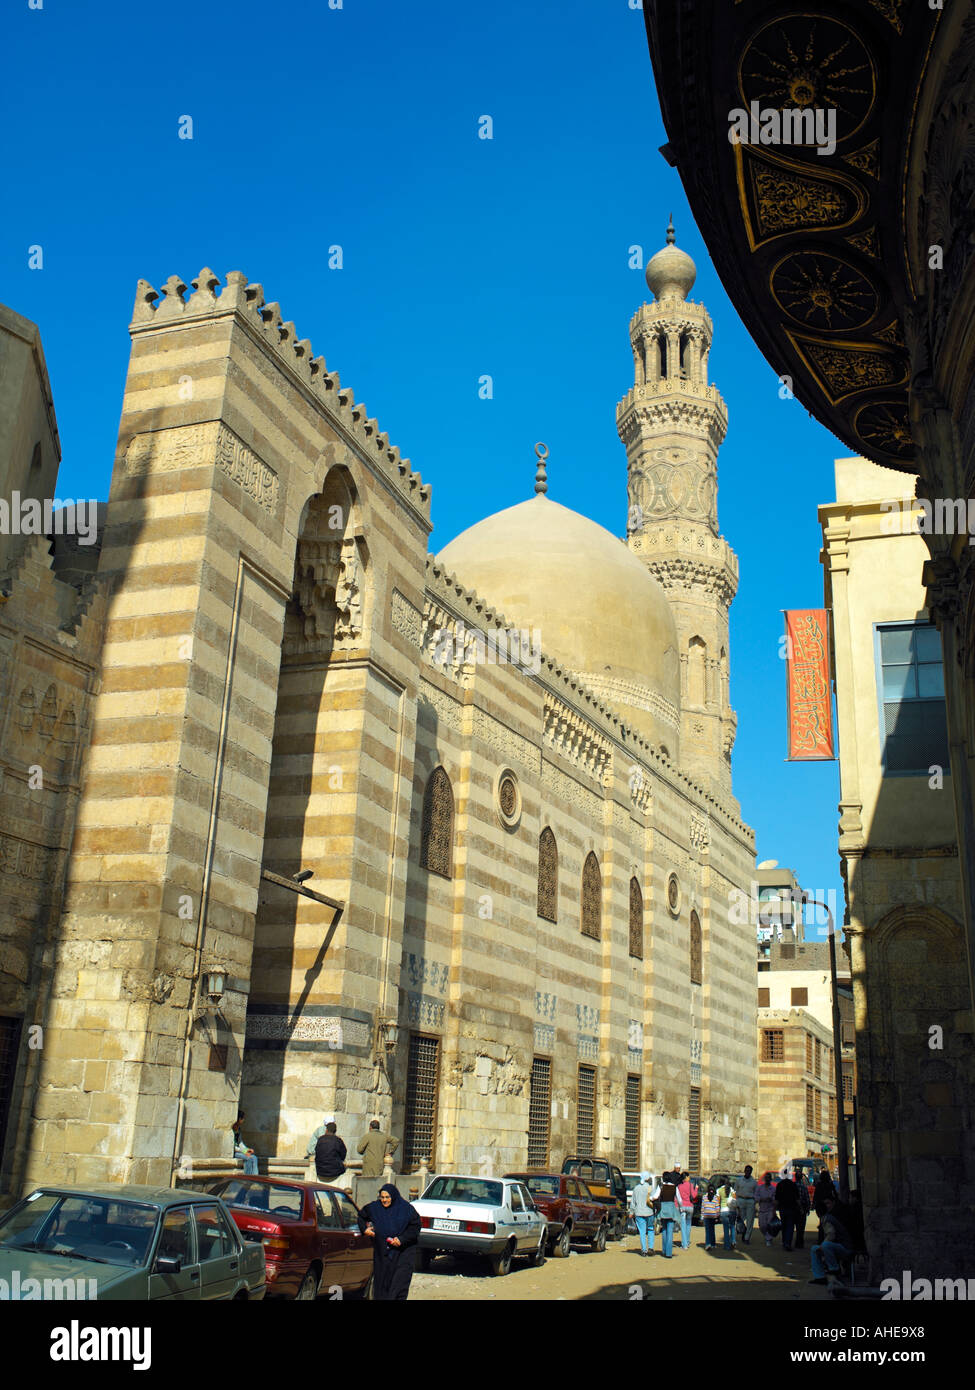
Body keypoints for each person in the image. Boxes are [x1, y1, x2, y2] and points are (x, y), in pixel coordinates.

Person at [358, 1183, 422, 1300]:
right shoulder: (375, 1208)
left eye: (387, 1197)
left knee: (397, 1285)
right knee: (381, 1285)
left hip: (402, 1254)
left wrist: (402, 1239)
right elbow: (361, 1216)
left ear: (393, 1196)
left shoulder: (406, 1209)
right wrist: (365, 1229)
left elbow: (415, 1227)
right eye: (382, 1197)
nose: (384, 1200)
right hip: (382, 1253)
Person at [809, 1195, 854, 1286]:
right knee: (814, 1249)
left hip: (845, 1248)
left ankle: (834, 1268)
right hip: (837, 1247)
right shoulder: (826, 1218)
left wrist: (822, 1246)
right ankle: (819, 1276)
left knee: (826, 1245)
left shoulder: (827, 1219)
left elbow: (831, 1235)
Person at [357, 1120, 400, 1204]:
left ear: (370, 1127)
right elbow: (396, 1140)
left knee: (368, 1186)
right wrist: (390, 1152)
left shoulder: (368, 1136)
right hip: (380, 1164)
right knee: (378, 1185)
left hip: (368, 1164)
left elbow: (359, 1149)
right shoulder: (384, 1136)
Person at [650, 1171, 683, 1258]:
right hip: (671, 1208)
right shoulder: (674, 1187)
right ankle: (669, 1252)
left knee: (664, 1229)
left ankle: (664, 1250)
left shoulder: (661, 1186)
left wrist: (649, 1198)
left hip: (663, 1208)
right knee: (670, 1230)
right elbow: (679, 1200)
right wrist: (681, 1208)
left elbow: (655, 1196)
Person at [775, 1172, 801, 1251]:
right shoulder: (793, 1185)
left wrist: (774, 1209)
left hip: (782, 1208)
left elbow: (777, 1199)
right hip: (791, 1208)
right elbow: (797, 1198)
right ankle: (788, 1243)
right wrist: (800, 1208)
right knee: (790, 1226)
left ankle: (784, 1242)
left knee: (784, 1225)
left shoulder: (780, 1185)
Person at [631, 1172, 655, 1256]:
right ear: (648, 1179)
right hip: (649, 1212)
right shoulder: (650, 1188)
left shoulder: (636, 1188)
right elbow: (654, 1199)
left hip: (639, 1212)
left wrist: (631, 1212)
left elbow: (633, 1202)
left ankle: (644, 1250)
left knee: (642, 1232)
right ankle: (651, 1248)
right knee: (651, 1229)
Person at [735, 1165, 758, 1244]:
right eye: (746, 1170)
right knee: (740, 1219)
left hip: (750, 1201)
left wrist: (754, 1201)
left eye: (749, 1171)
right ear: (744, 1171)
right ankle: (740, 1232)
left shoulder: (754, 1182)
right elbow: (735, 1191)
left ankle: (747, 1238)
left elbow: (756, 1193)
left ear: (751, 1172)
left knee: (750, 1220)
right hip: (741, 1200)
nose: (748, 1172)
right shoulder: (739, 1180)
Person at [232, 1111, 258, 1175]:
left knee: (254, 1157)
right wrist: (244, 1152)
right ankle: (247, 1178)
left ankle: (255, 1177)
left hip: (239, 1151)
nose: (244, 1120)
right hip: (234, 1152)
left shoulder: (239, 1129)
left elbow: (240, 1142)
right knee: (249, 1158)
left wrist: (247, 1150)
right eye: (242, 1118)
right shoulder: (232, 1129)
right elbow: (233, 1147)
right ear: (239, 1119)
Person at [677, 1171, 698, 1250]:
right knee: (688, 1225)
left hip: (682, 1207)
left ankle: (684, 1244)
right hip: (690, 1206)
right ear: (686, 1178)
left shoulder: (679, 1186)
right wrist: (696, 1188)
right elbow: (694, 1195)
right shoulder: (690, 1185)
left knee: (683, 1226)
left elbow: (678, 1198)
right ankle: (687, 1241)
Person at [756, 1171, 777, 1246]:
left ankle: (768, 1239)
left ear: (770, 1179)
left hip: (770, 1209)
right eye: (766, 1178)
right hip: (762, 1209)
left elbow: (775, 1198)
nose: (767, 1180)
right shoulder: (760, 1188)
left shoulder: (773, 1189)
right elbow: (756, 1197)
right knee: (762, 1226)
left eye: (769, 1178)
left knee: (769, 1224)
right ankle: (767, 1236)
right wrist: (761, 1199)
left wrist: (771, 1199)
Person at [700, 1182, 720, 1251]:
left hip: (706, 1215)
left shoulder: (704, 1197)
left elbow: (703, 1207)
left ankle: (707, 1244)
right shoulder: (715, 1198)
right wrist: (717, 1216)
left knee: (707, 1231)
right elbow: (717, 1207)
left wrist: (702, 1215)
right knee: (712, 1230)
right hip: (713, 1215)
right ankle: (713, 1244)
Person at [718, 1178, 737, 1250]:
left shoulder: (719, 1190)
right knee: (732, 1226)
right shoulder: (731, 1189)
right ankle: (733, 1241)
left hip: (723, 1210)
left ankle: (727, 1245)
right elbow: (735, 1198)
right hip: (732, 1210)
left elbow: (718, 1201)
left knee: (726, 1229)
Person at [795, 1170, 811, 1249]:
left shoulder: (793, 1186)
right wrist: (808, 1208)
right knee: (801, 1227)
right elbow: (807, 1198)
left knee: (796, 1226)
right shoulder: (803, 1187)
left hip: (794, 1209)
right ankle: (800, 1242)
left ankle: (796, 1242)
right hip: (802, 1209)